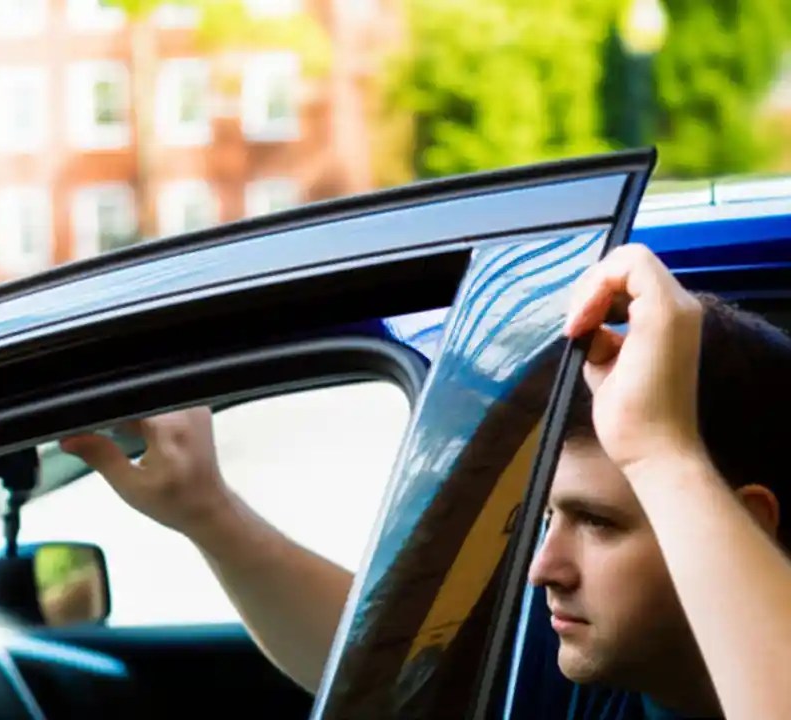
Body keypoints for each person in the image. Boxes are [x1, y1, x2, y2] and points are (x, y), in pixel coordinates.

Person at [60, 244, 791, 719]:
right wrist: (206, 511)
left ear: (748, 522)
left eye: (598, 522)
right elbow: (394, 670)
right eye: (544, 520)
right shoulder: (607, 669)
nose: (544, 567)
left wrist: (664, 453)